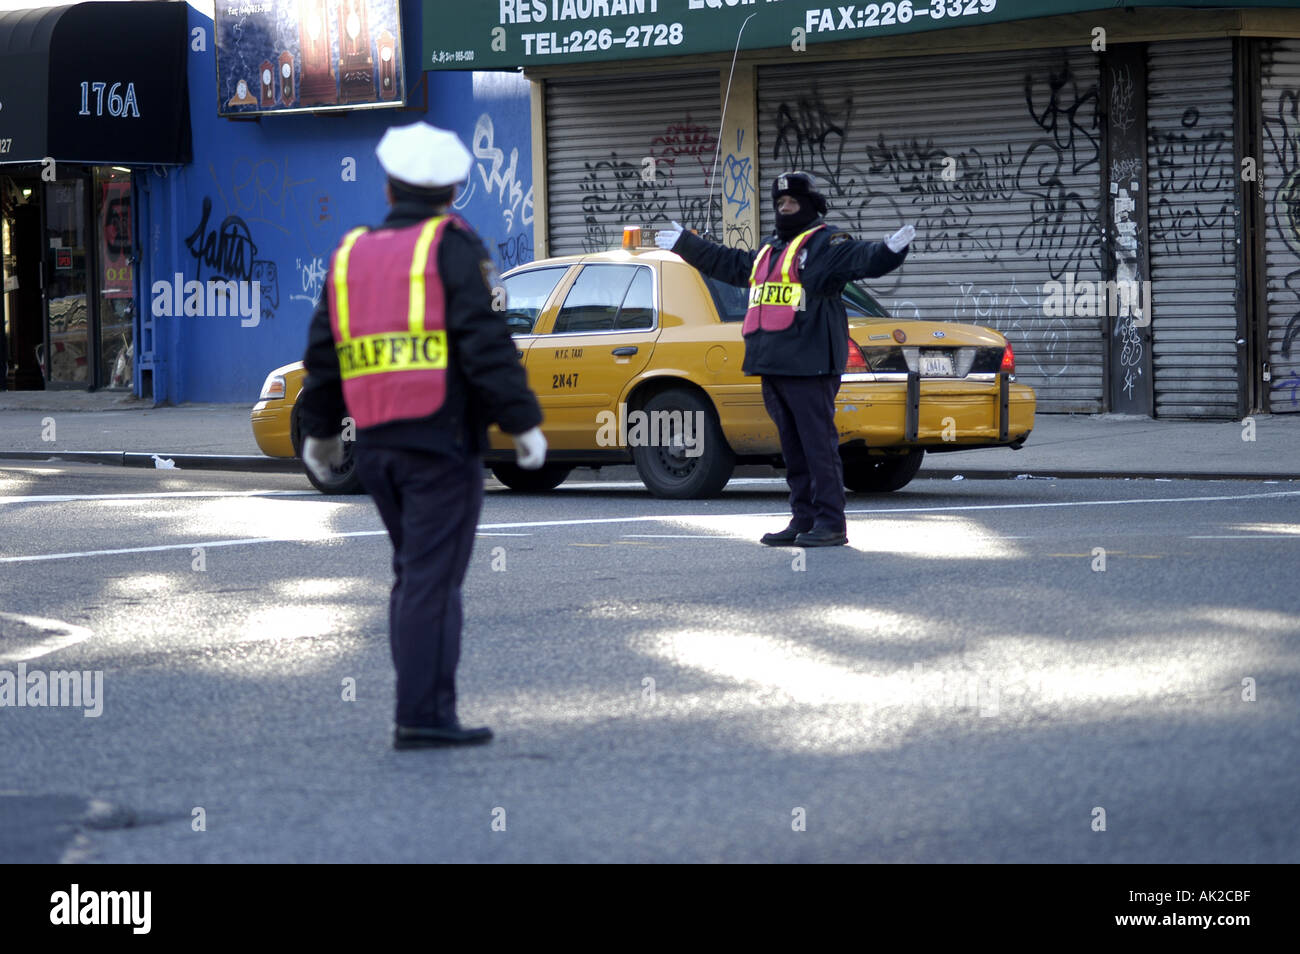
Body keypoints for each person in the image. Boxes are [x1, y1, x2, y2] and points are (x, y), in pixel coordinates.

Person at [297, 121, 546, 749]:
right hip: (440, 445)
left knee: (414, 575)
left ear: (387, 186)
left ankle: (423, 708)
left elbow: (323, 352)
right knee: (431, 581)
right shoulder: (455, 245)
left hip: (377, 447)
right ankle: (424, 717)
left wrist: (323, 433)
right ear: (453, 188)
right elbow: (487, 341)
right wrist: (521, 422)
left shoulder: (351, 252)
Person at [656, 171, 914, 547]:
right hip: (772, 362)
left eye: (792, 202)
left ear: (809, 206)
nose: (784, 208)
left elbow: (862, 258)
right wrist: (687, 245)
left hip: (809, 364)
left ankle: (830, 524)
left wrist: (889, 251)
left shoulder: (827, 243)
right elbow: (730, 264)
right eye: (779, 203)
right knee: (793, 449)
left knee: (817, 445)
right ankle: (803, 519)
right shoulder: (770, 249)